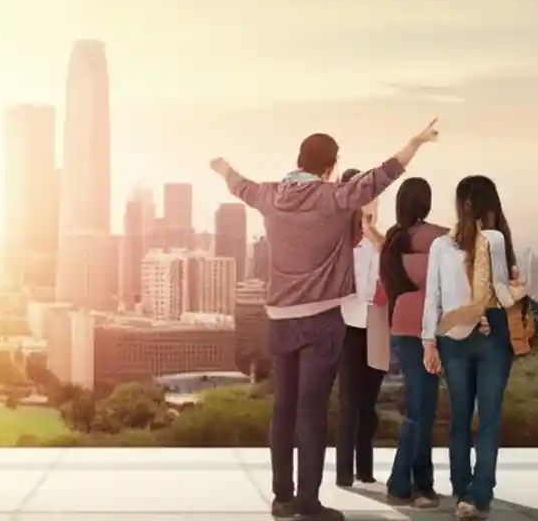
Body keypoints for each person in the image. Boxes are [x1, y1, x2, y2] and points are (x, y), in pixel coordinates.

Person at [210, 118, 439, 521]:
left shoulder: (269, 195)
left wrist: (224, 167)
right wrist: (414, 144)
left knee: (283, 408)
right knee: (311, 410)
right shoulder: (334, 197)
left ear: (299, 160)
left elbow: (240, 184)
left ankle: (282, 500)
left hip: (279, 318)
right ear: (332, 166)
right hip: (321, 321)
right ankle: (309, 503)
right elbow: (380, 177)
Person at [421, 175, 519, 521]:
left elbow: (435, 298)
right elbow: (501, 293)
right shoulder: (464, 243)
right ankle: (473, 493)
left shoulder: (471, 244)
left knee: (472, 418)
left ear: (463, 204)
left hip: (471, 337)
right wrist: (429, 340)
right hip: (472, 337)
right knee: (476, 417)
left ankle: (471, 493)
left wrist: (429, 340)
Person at [372, 177, 446, 508]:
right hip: (429, 330)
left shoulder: (393, 241)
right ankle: (401, 483)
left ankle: (423, 484)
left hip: (401, 327)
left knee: (421, 407)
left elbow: (382, 292)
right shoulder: (442, 238)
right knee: (421, 409)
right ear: (426, 203)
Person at [336, 170, 386, 489]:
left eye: (375, 197)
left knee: (370, 402)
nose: (371, 203)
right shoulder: (340, 243)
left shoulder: (383, 241)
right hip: (348, 324)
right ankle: (343, 472)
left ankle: (365, 470)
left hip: (378, 323)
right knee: (349, 401)